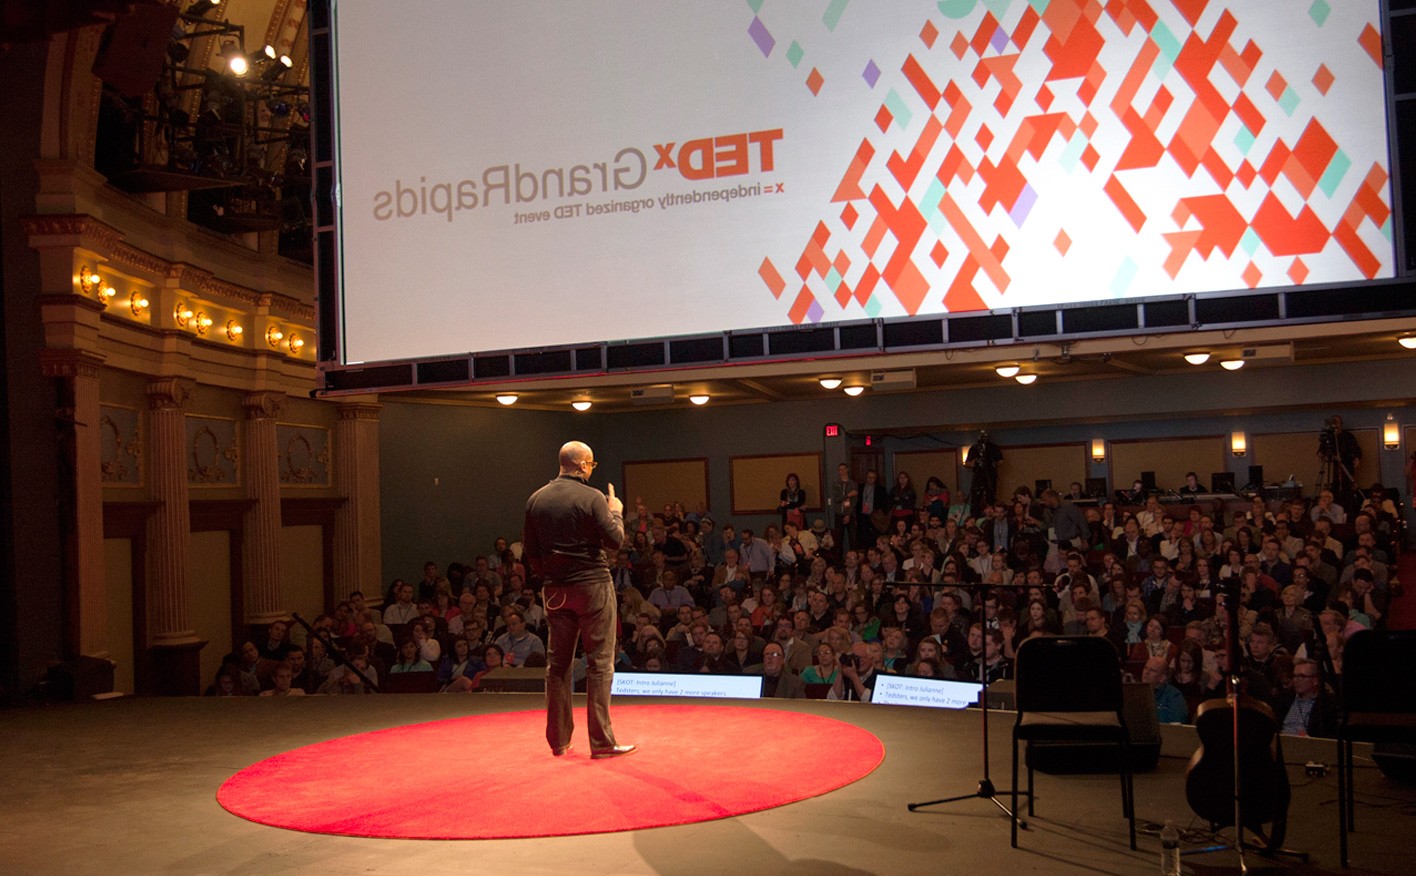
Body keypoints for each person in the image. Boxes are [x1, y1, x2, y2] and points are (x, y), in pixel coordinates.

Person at [522, 440, 634, 759]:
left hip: (555, 589)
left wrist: (552, 574)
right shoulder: (593, 497)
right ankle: (601, 742)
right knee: (599, 663)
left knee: (557, 665)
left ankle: (559, 740)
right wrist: (617, 512)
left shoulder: (536, 499)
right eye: (591, 465)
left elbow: (529, 550)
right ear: (583, 465)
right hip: (592, 585)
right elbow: (615, 542)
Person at [966, 431, 1003, 516]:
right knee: (976, 498)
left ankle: (991, 514)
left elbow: (1001, 460)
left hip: (990, 476)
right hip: (978, 477)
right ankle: (976, 516)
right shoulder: (974, 448)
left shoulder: (993, 448)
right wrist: (975, 462)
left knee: (990, 497)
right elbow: (968, 463)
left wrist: (994, 463)